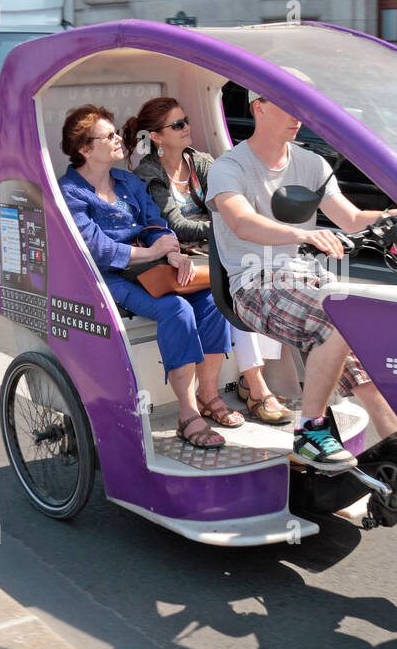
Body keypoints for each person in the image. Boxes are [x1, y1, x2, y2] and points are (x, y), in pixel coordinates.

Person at [206, 77, 397, 509]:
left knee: (368, 347)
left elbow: (349, 219)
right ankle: (310, 430)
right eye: (288, 105)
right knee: (339, 316)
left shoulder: (310, 164)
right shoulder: (229, 167)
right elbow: (241, 223)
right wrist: (302, 235)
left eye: (302, 105)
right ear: (259, 107)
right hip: (253, 287)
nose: (298, 115)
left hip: (304, 281)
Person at [57, 103, 242, 449]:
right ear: (84, 149)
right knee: (177, 310)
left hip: (152, 269)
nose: (118, 140)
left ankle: (208, 393)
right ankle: (187, 415)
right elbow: (97, 249)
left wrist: (170, 249)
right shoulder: (69, 192)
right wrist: (154, 253)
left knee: (213, 301)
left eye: (115, 133)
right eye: (108, 136)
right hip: (108, 278)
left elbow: (156, 222)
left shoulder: (126, 181)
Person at [126, 96, 294, 425]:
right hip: (179, 254)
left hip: (210, 250)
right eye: (177, 125)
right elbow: (174, 224)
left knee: (270, 276)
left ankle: (251, 380)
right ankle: (256, 385)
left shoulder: (199, 161)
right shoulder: (149, 173)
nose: (187, 128)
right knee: (237, 285)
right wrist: (225, 224)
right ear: (156, 136)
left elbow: (232, 198)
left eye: (186, 120)